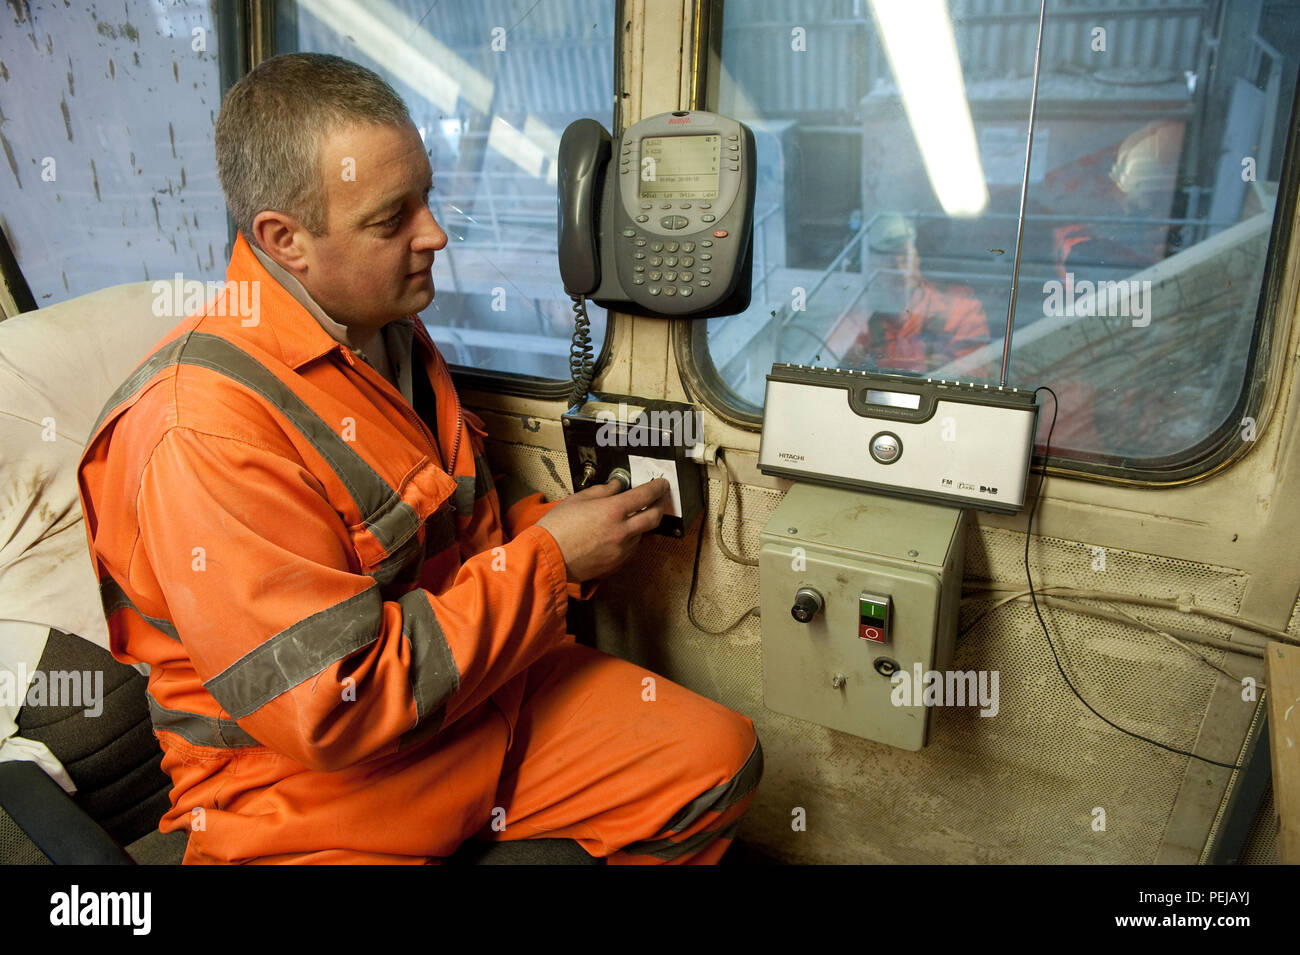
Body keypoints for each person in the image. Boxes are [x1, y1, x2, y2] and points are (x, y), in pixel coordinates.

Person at [76, 53, 760, 864]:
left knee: (717, 762)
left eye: (426, 198)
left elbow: (454, 545)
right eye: (391, 217)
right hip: (311, 794)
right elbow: (334, 705)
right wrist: (547, 564)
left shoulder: (383, 331)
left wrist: (570, 535)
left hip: (470, 703)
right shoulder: (203, 430)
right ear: (283, 240)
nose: (432, 233)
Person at [838, 216, 991, 375]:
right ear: (869, 266)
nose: (898, 265)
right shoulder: (855, 319)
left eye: (904, 254)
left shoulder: (961, 307)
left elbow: (975, 375)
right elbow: (833, 367)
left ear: (918, 257)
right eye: (887, 257)